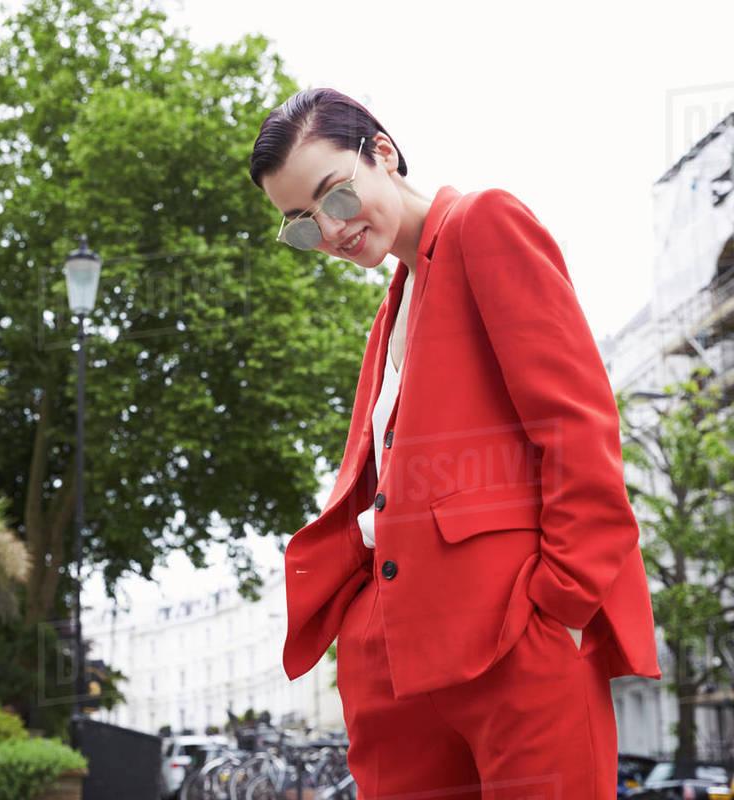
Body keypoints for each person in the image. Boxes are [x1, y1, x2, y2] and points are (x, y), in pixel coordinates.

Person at [248, 88, 662, 799]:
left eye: (334, 198)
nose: (331, 230)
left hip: (514, 636)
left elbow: (577, 424)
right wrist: (361, 628)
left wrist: (560, 605)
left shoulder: (483, 224)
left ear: (382, 152)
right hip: (394, 660)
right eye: (302, 226)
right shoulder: (390, 312)